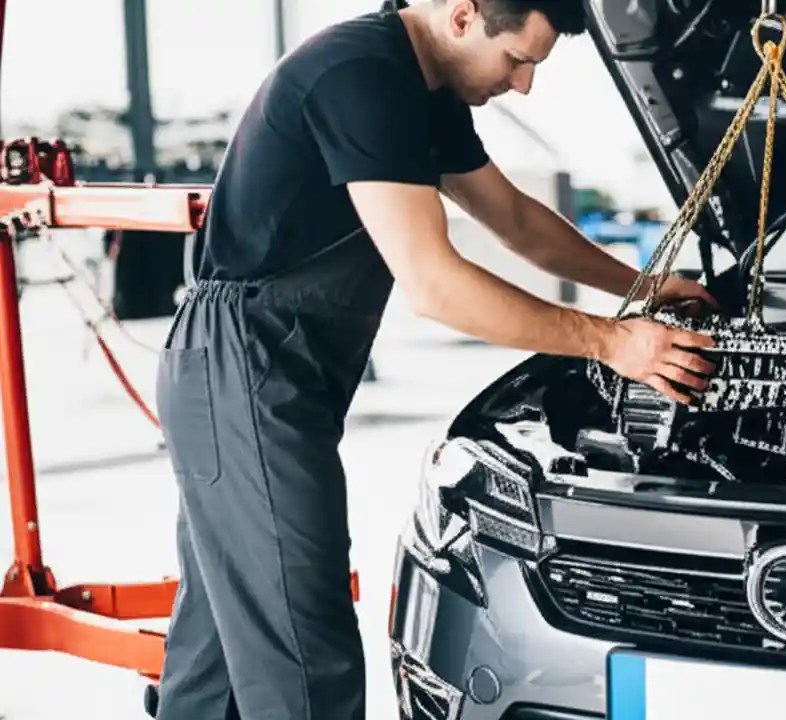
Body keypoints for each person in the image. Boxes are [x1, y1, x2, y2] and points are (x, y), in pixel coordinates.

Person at [152, 1, 719, 718]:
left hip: (260, 371)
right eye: (519, 60)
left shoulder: (426, 93)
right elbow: (433, 283)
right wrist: (612, 342)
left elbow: (517, 223)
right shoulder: (362, 76)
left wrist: (645, 286)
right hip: (241, 363)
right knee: (303, 652)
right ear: (462, 16)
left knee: (216, 657)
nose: (523, 86)